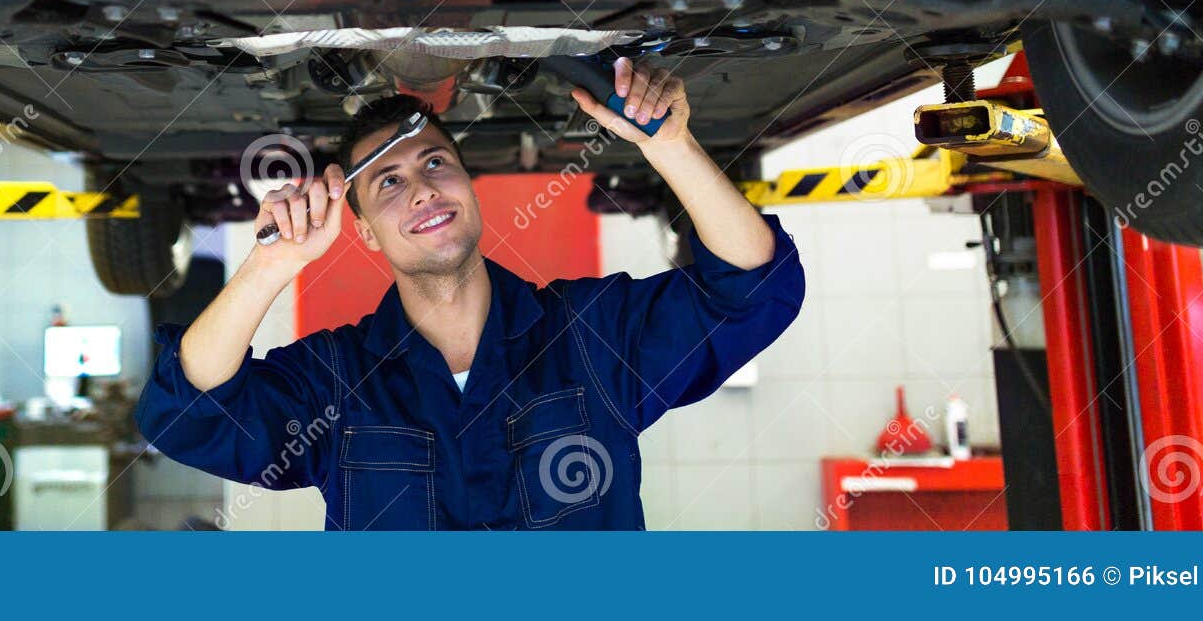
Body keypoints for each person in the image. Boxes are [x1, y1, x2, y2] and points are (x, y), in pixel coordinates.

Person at [135, 57, 805, 529]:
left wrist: (672, 144)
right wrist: (269, 265)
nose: (423, 188)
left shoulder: (592, 336)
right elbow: (185, 414)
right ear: (362, 230)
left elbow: (751, 289)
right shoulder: (336, 382)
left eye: (435, 162)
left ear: (467, 186)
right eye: (388, 182)